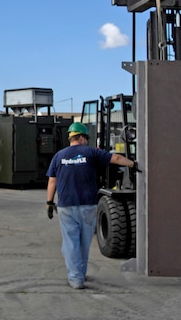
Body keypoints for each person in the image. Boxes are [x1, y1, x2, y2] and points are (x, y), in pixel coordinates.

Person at [46, 121, 139, 289]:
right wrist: (134, 164)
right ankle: (79, 275)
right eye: (86, 138)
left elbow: (52, 180)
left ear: (71, 138)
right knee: (84, 242)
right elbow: (116, 158)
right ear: (81, 138)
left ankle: (76, 278)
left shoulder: (59, 156)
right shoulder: (91, 152)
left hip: (66, 205)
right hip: (88, 205)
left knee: (70, 243)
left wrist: (48, 202)